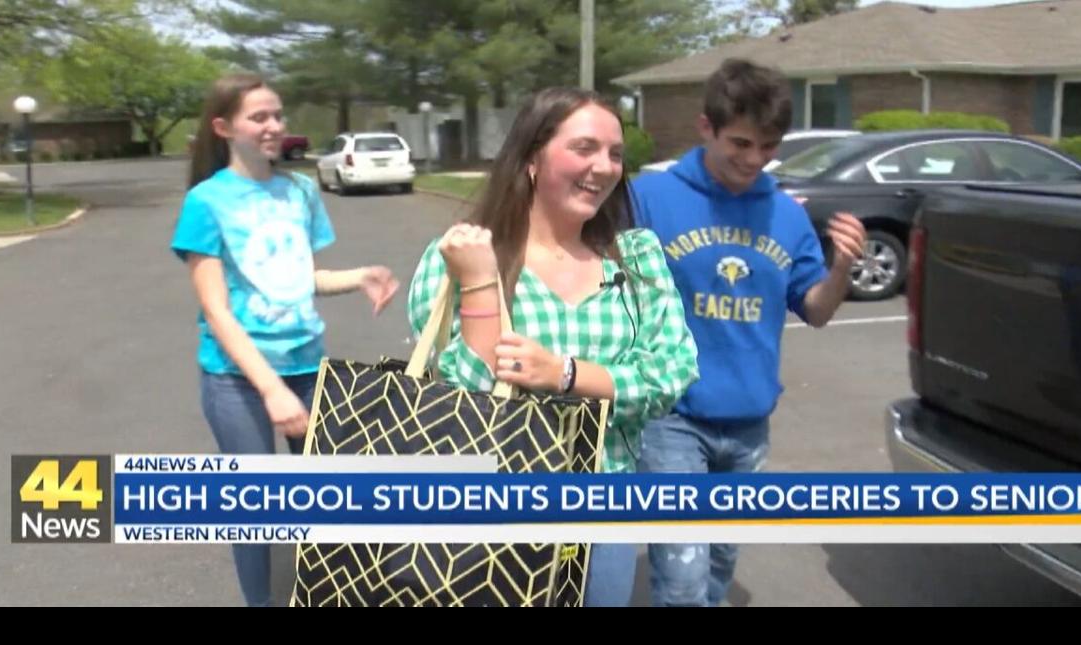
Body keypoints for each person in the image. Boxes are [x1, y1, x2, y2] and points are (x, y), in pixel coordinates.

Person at [407, 87, 699, 607]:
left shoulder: (636, 256)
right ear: (533, 158)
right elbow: (463, 399)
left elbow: (673, 374)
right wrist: (479, 283)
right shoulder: (461, 256)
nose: (604, 167)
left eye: (614, 154)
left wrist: (563, 373)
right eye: (584, 148)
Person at [631, 58, 868, 607]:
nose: (754, 160)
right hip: (671, 415)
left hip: (749, 422)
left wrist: (840, 269)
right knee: (683, 575)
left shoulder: (785, 213)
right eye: (740, 143)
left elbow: (815, 309)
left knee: (717, 565)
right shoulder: (650, 198)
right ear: (705, 127)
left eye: (768, 147)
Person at [170, 72, 399, 607]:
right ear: (225, 127)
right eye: (259, 117)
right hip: (239, 381)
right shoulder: (207, 202)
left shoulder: (299, 191)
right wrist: (271, 389)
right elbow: (216, 309)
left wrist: (360, 275)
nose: (273, 126)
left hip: (309, 369)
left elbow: (301, 278)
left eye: (277, 115)